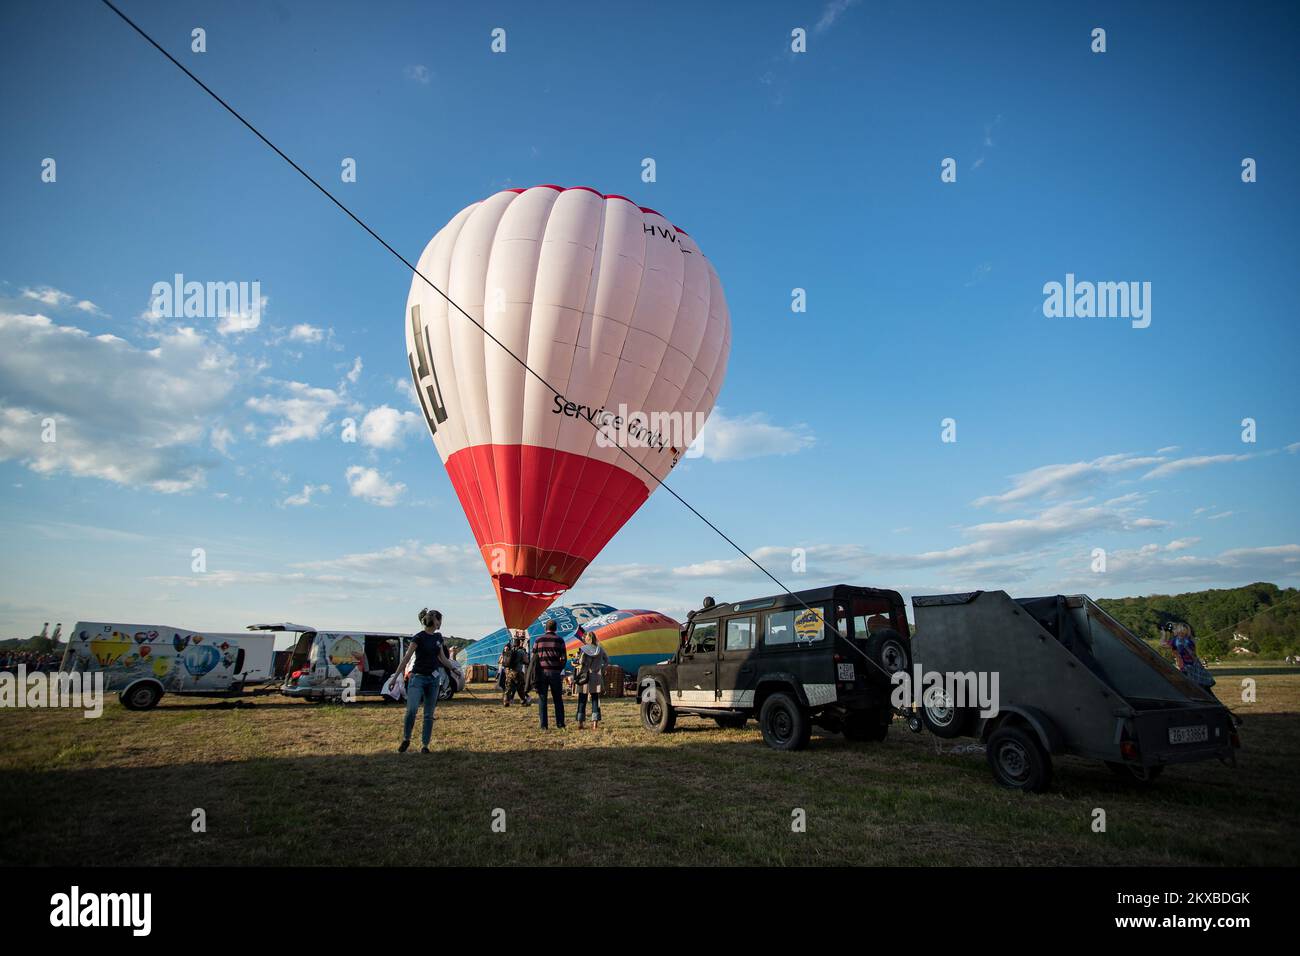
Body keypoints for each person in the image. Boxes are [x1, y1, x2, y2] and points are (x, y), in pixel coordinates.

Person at [396, 608, 454, 753]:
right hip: (418, 678)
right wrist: (396, 676)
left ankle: (425, 745)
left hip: (433, 680)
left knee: (428, 714)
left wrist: (454, 669)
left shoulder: (438, 638)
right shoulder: (418, 637)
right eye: (439, 620)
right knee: (412, 710)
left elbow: (443, 658)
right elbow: (407, 657)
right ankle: (406, 738)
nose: (440, 623)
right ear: (435, 620)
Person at [528, 620, 568, 729]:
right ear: (556, 628)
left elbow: (534, 658)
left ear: (545, 628)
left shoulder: (538, 640)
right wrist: (559, 669)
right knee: (558, 699)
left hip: (541, 673)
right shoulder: (560, 640)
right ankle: (560, 724)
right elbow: (564, 659)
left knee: (542, 699)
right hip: (555, 673)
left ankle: (543, 725)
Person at [1162, 621, 1216, 695]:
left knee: (1193, 688)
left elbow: (1163, 644)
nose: (1173, 631)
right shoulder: (1189, 639)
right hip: (1195, 664)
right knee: (1204, 687)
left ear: (1179, 631)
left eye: (1175, 629)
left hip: (1186, 666)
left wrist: (1164, 634)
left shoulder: (1177, 640)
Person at [574, 628, 609, 730]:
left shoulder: (583, 649)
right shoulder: (600, 649)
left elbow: (580, 662)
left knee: (582, 699)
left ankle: (580, 722)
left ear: (587, 639)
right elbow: (607, 661)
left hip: (585, 676)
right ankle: (595, 723)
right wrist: (601, 669)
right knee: (595, 700)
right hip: (596, 676)